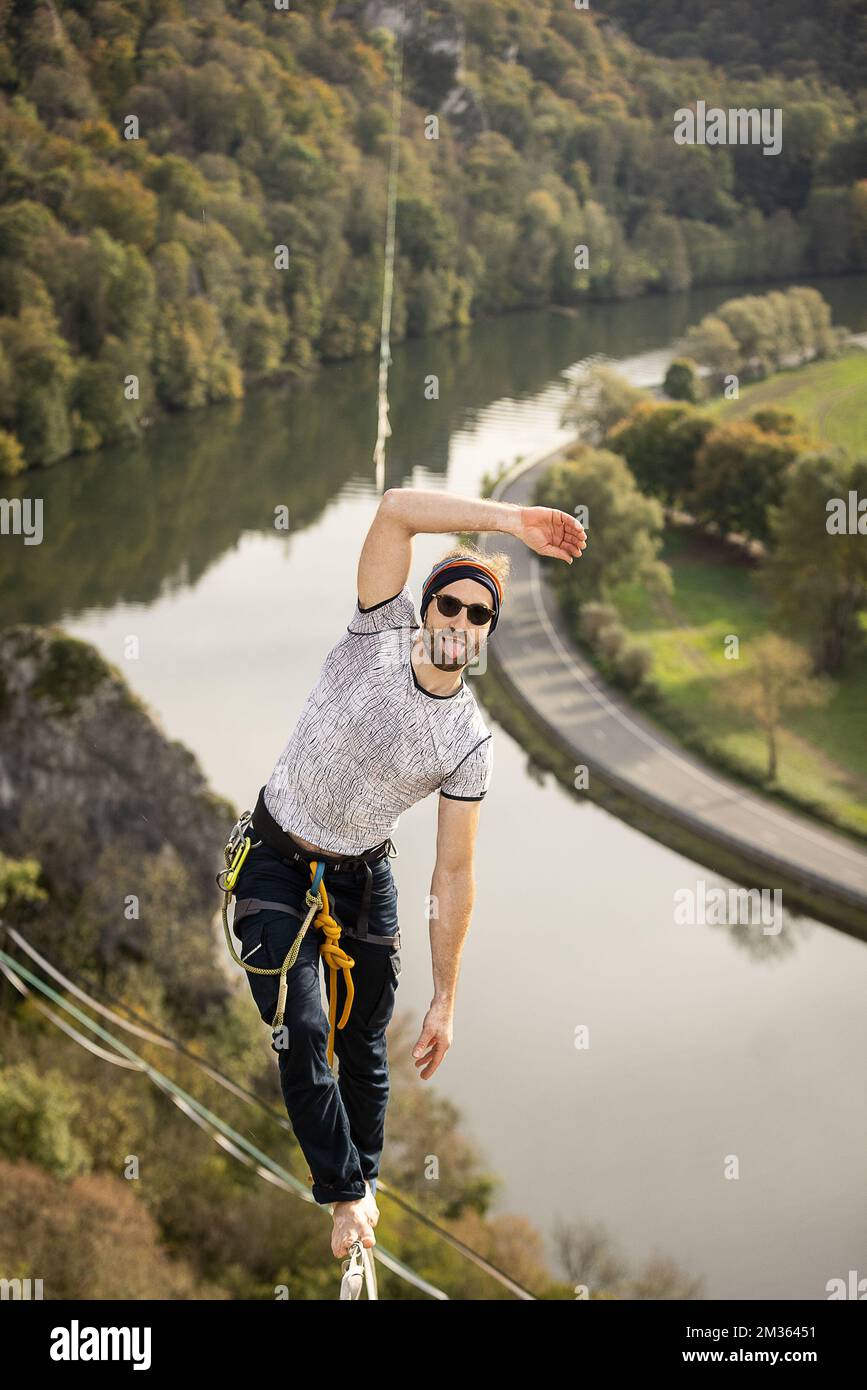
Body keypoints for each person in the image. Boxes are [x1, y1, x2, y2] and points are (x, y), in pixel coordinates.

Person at [228, 486, 586, 1258]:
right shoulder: (376, 629)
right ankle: (345, 1191)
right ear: (426, 607)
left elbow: (452, 875)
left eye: (477, 615)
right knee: (300, 1027)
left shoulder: (468, 742)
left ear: (489, 631)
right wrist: (510, 524)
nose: (459, 622)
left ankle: (363, 1180)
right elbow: (394, 509)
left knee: (362, 1044)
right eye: (448, 605)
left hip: (361, 876)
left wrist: (446, 999)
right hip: (276, 859)